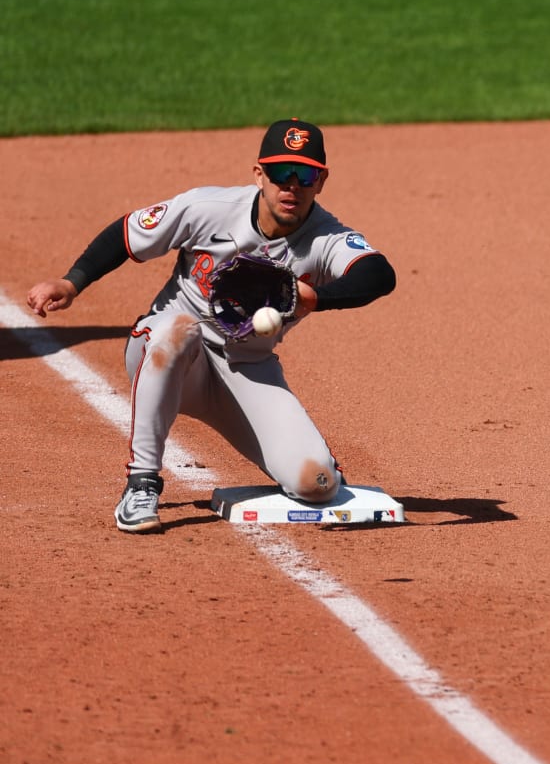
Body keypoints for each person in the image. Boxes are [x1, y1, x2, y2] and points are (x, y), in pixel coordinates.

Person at [27, 119, 397, 533]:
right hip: (170, 357)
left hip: (247, 368)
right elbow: (128, 232)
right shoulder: (209, 208)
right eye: (280, 173)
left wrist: (316, 297)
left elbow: (379, 274)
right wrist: (71, 281)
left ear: (321, 181)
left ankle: (311, 466)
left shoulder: (325, 237)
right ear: (259, 174)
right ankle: (141, 482)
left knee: (317, 485)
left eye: (305, 175)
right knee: (177, 329)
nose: (291, 186)